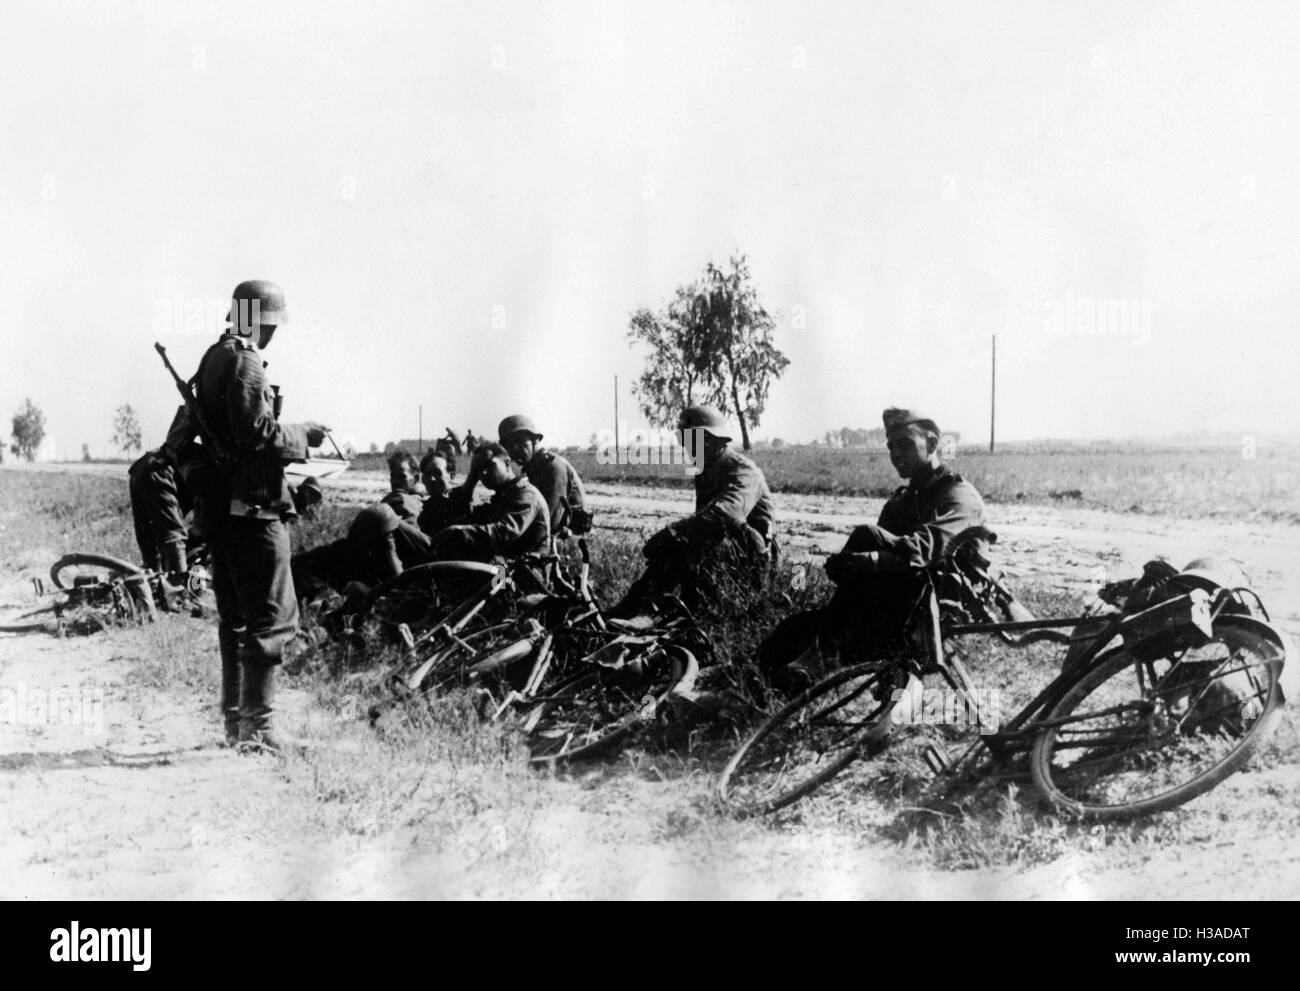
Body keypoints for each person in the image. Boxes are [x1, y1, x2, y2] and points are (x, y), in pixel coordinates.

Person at [192, 279, 328, 751]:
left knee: (234, 619)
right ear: (262, 319)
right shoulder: (245, 359)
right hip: (255, 511)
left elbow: (188, 436)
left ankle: (236, 723)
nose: (273, 333)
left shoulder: (213, 359)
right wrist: (302, 435)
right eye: (272, 323)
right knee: (273, 621)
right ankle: (260, 730)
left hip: (222, 516)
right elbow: (255, 432)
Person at [759, 406, 985, 686]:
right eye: (891, 447)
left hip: (932, 613)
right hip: (893, 607)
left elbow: (923, 549)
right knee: (795, 629)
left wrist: (870, 560)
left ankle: (824, 654)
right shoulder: (901, 501)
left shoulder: (959, 496)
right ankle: (744, 695)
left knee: (868, 536)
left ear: (933, 444)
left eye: (905, 444)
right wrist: (847, 567)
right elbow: (879, 563)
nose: (896, 454)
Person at [610, 405, 774, 623]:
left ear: (709, 439)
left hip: (754, 562)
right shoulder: (706, 469)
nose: (686, 447)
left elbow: (727, 516)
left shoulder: (743, 470)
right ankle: (637, 605)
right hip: (725, 554)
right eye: (683, 440)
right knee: (682, 543)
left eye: (690, 440)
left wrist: (673, 531)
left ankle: (651, 612)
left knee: (684, 540)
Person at [434, 442, 550, 562]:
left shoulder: (526, 494)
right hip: (506, 569)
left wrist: (459, 532)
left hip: (526, 574)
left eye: (489, 465)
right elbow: (465, 515)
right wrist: (471, 479)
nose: (483, 473)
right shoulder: (505, 495)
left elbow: (504, 533)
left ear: (507, 464)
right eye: (479, 470)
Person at [497, 413, 592, 535]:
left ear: (535, 440)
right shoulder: (532, 467)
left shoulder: (553, 467)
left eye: (520, 441)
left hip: (566, 537)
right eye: (509, 445)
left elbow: (549, 523)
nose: (514, 448)